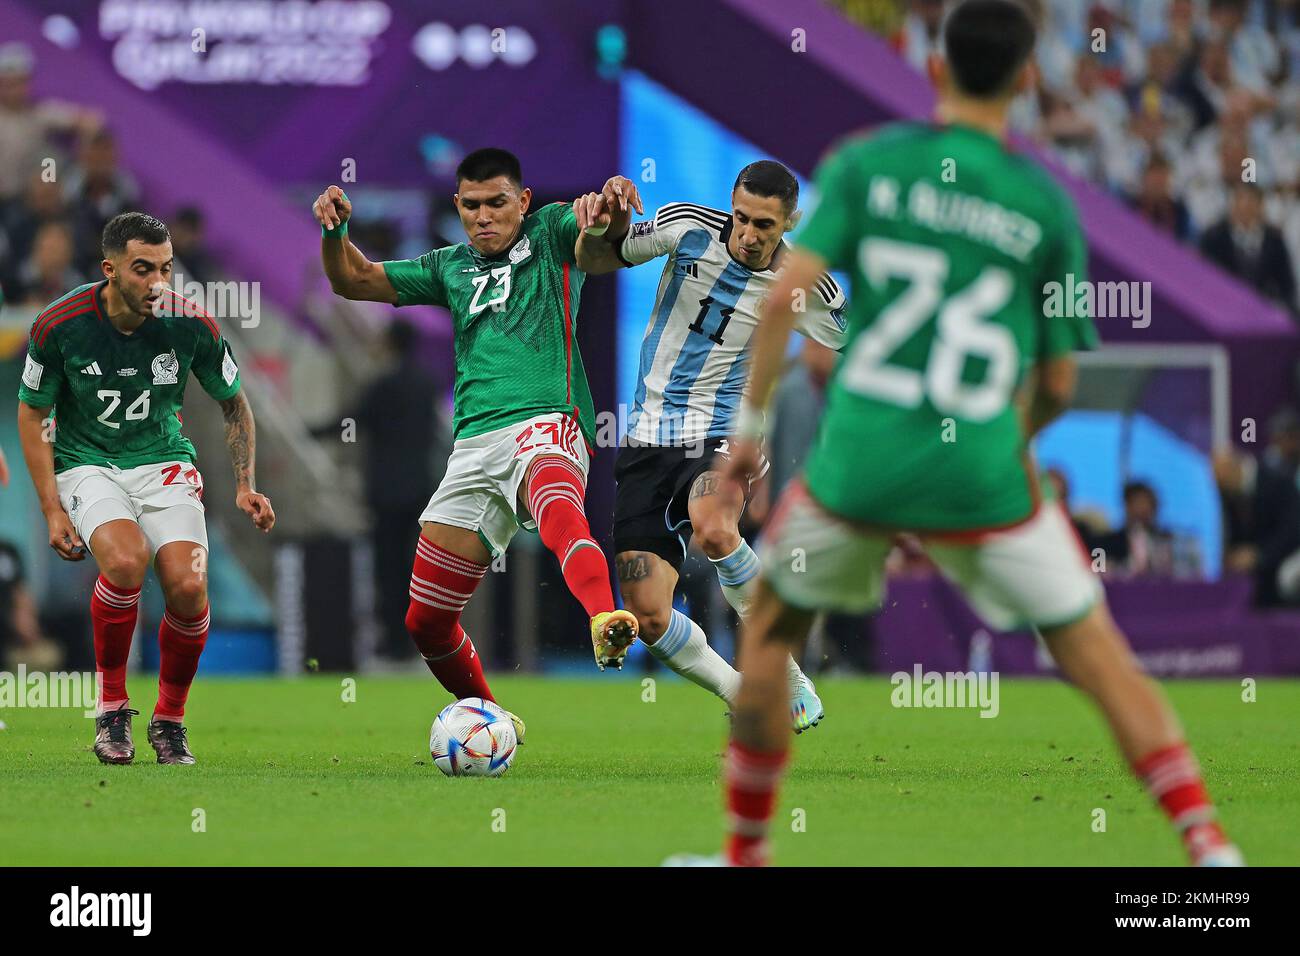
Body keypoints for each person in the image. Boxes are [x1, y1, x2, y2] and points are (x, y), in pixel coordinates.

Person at [673, 0, 1242, 868]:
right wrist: (1013, 439)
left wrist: (748, 438)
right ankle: (1209, 851)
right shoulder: (1044, 203)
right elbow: (1057, 379)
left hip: (857, 464)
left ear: (933, 71)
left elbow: (787, 297)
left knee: (770, 640)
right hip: (979, 466)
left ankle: (745, 855)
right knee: (1097, 656)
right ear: (1024, 80)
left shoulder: (866, 166)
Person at [314, 148, 642, 739]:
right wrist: (336, 233)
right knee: (427, 621)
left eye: (497, 203)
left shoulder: (550, 229)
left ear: (523, 201)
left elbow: (599, 240)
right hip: (473, 447)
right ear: (457, 207)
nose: (485, 216)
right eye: (472, 206)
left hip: (547, 419)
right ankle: (494, 719)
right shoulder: (447, 266)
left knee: (556, 501)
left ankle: (603, 615)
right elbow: (353, 280)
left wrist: (613, 209)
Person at [574, 161, 846, 732]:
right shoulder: (687, 227)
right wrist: (606, 224)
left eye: (766, 226)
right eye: (743, 218)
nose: (749, 235)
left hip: (722, 434)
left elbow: (865, 351)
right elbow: (597, 260)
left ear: (791, 221)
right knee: (648, 617)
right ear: (730, 204)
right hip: (647, 439)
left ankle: (786, 672)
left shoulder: (805, 283)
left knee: (715, 528)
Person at [15, 212, 275, 765]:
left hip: (162, 462)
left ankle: (170, 721)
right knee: (127, 561)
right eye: (143, 270)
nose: (159, 284)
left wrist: (245, 484)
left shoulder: (189, 324)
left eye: (166, 269)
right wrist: (50, 509)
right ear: (110, 270)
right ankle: (111, 709)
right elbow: (33, 412)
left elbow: (233, 402)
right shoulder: (58, 325)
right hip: (89, 462)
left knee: (187, 587)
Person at [354, 319, 443, 660]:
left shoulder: (382, 385)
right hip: (420, 490)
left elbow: (354, 419)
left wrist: (313, 430)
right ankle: (415, 639)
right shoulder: (427, 385)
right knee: (414, 569)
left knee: (387, 568)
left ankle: (393, 642)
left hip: (386, 493)